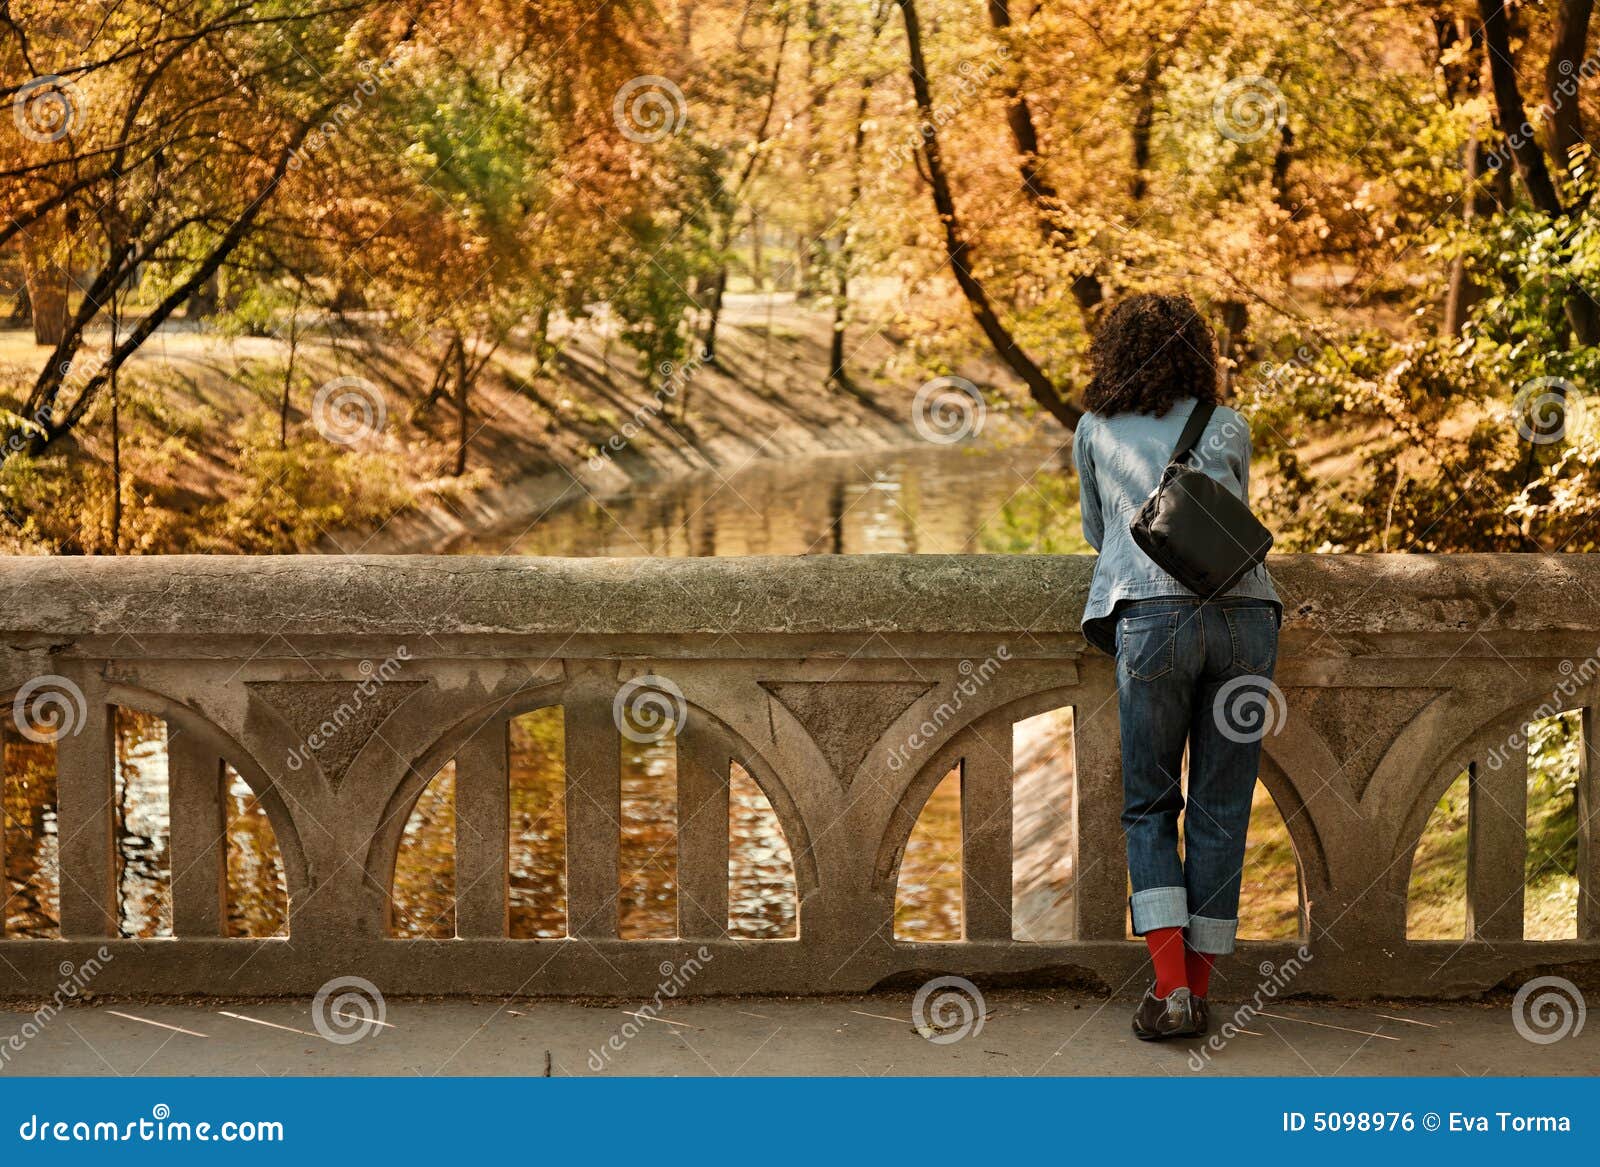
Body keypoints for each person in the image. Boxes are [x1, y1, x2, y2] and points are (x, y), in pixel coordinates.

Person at [1072, 292, 1281, 1041]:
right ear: (1199, 353)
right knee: (1222, 808)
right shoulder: (1228, 424)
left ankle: (1170, 993)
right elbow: (1230, 526)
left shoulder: (1095, 428)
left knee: (1150, 803)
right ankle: (1198, 985)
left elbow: (1102, 535)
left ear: (1114, 354)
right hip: (1248, 619)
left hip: (1153, 622)